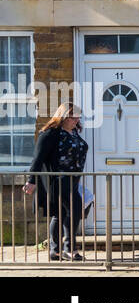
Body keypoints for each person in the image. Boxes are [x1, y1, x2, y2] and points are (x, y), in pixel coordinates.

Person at [22, 102, 89, 261]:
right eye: (72, 117)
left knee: (60, 214)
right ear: (63, 116)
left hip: (72, 180)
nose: (75, 121)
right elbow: (38, 159)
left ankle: (56, 250)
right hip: (57, 180)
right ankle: (69, 249)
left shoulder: (73, 133)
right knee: (75, 207)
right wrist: (31, 180)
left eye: (77, 118)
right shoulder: (50, 134)